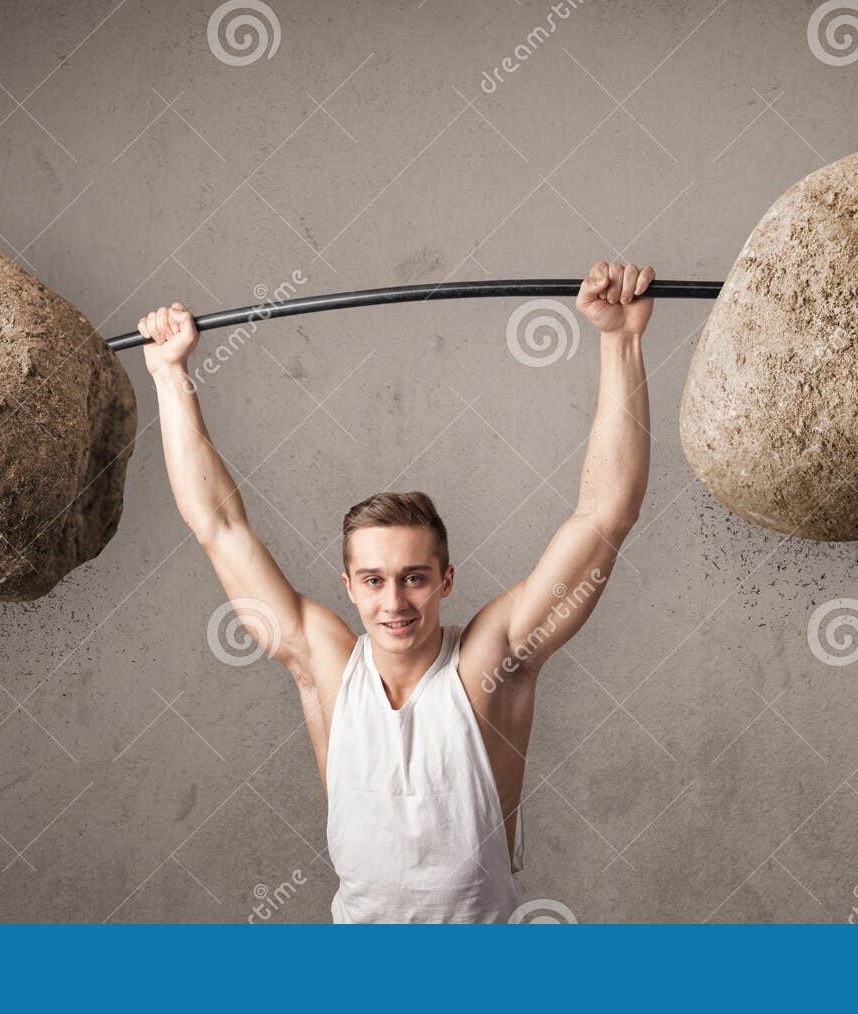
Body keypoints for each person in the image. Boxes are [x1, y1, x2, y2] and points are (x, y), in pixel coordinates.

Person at [137, 260, 655, 922]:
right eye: (375, 581)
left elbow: (606, 513)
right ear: (348, 587)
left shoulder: (489, 662)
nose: (395, 603)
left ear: (445, 579)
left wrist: (621, 341)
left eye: (413, 578)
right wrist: (169, 376)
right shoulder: (326, 665)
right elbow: (218, 525)